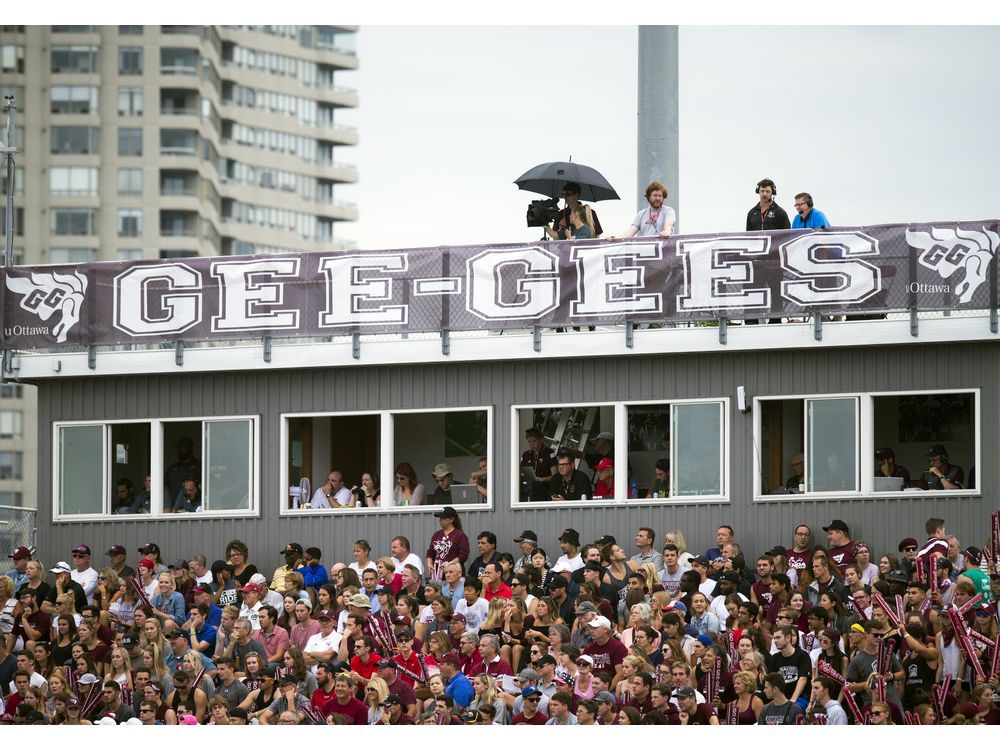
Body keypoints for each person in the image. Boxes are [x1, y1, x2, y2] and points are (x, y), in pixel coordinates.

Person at [608, 180, 676, 239]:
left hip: (665, 251)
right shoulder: (641, 214)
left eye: (660, 196)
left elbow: (669, 224)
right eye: (655, 195)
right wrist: (615, 238)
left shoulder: (668, 211)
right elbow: (630, 232)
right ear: (648, 197)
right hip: (647, 251)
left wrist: (667, 231)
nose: (658, 198)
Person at [766, 625, 812, 710]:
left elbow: (803, 679)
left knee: (793, 708)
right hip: (781, 698)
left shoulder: (802, 655)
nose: (775, 641)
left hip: (800, 697)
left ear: (788, 638)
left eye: (778, 637)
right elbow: (771, 681)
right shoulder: (775, 658)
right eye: (774, 638)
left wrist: (793, 700)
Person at [426, 506, 470, 581]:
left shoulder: (460, 535)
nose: (440, 521)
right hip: (437, 575)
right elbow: (430, 552)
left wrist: (449, 564)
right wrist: (429, 564)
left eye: (443, 518)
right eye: (440, 518)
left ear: (451, 520)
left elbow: (463, 555)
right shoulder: (436, 535)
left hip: (454, 575)